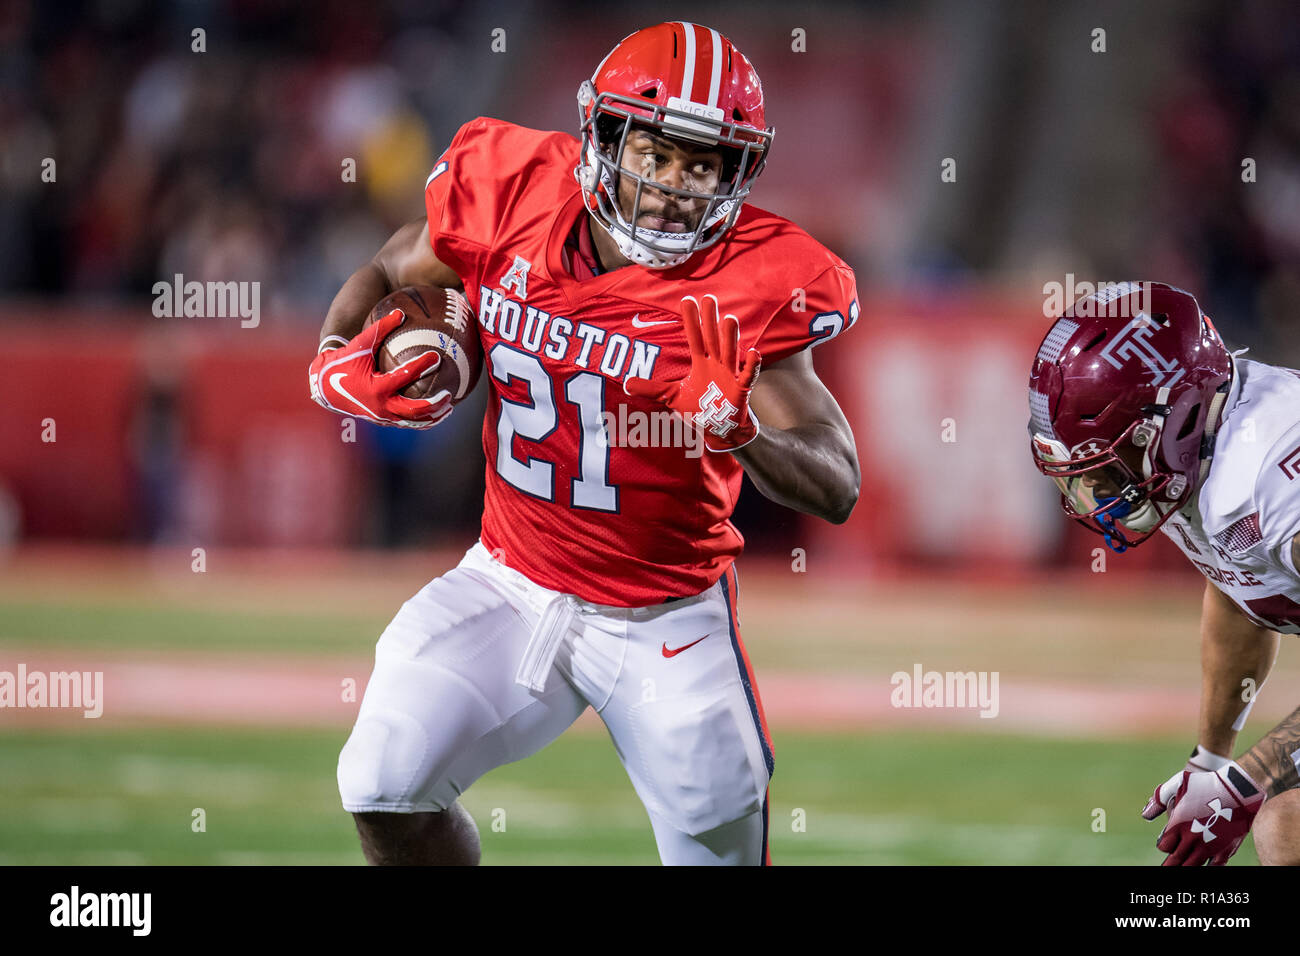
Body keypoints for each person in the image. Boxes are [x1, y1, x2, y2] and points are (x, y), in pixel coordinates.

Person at [307, 22, 860, 865]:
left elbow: (837, 481)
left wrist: (739, 428)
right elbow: (390, 271)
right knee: (381, 781)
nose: (677, 186)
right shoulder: (513, 193)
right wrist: (330, 365)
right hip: (511, 580)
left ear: (737, 173)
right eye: (658, 154)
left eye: (703, 164)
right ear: (602, 137)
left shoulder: (745, 284)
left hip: (667, 615)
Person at [1027, 280, 1300, 865]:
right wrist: (1213, 760)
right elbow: (1240, 590)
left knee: (1286, 824)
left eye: (1107, 466)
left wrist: (1249, 781)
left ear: (1172, 417)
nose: (1095, 492)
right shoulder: (1196, 454)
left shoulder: (1274, 468)